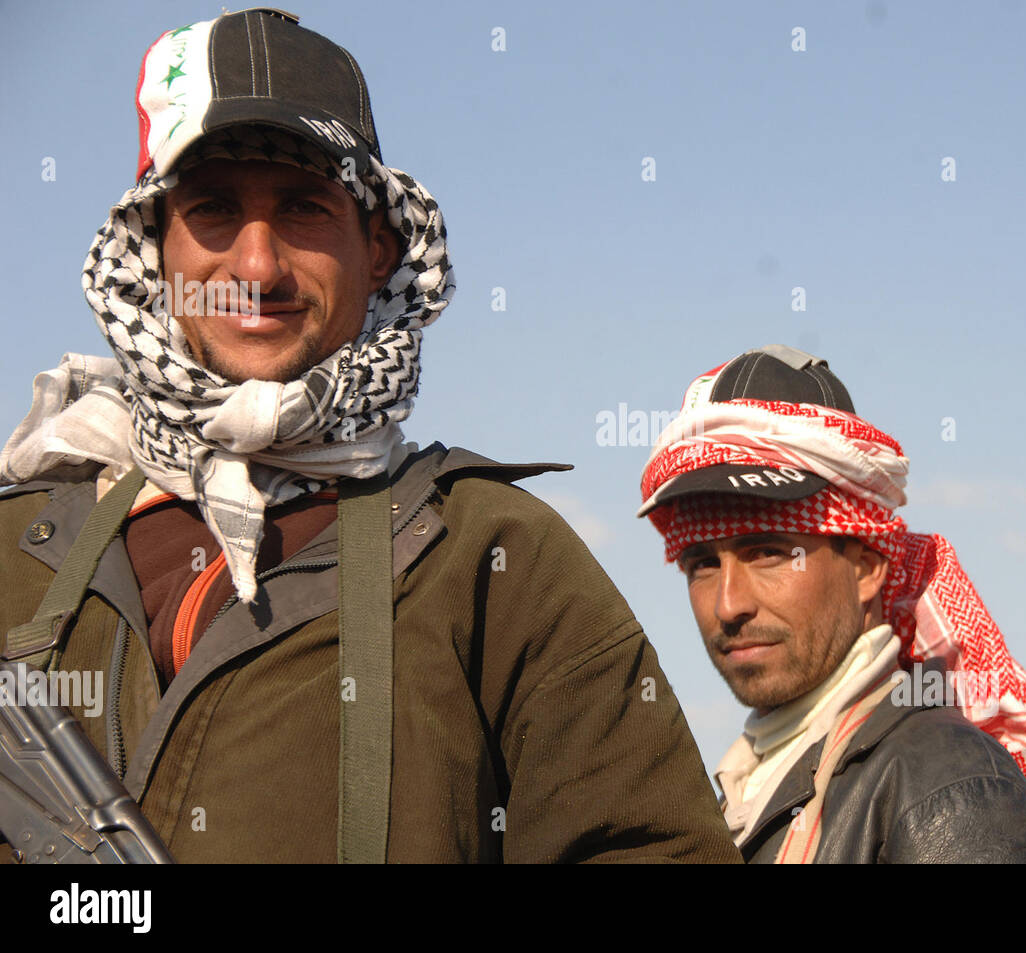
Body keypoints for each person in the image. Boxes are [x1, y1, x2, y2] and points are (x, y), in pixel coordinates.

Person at [0, 9, 739, 864]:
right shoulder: (23, 553)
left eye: (304, 208)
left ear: (380, 248)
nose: (257, 268)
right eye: (211, 209)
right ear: (153, 249)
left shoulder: (491, 557)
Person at [638, 344, 1026, 863]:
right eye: (701, 563)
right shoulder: (745, 798)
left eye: (766, 552)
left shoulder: (946, 784)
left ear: (867, 566)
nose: (728, 605)